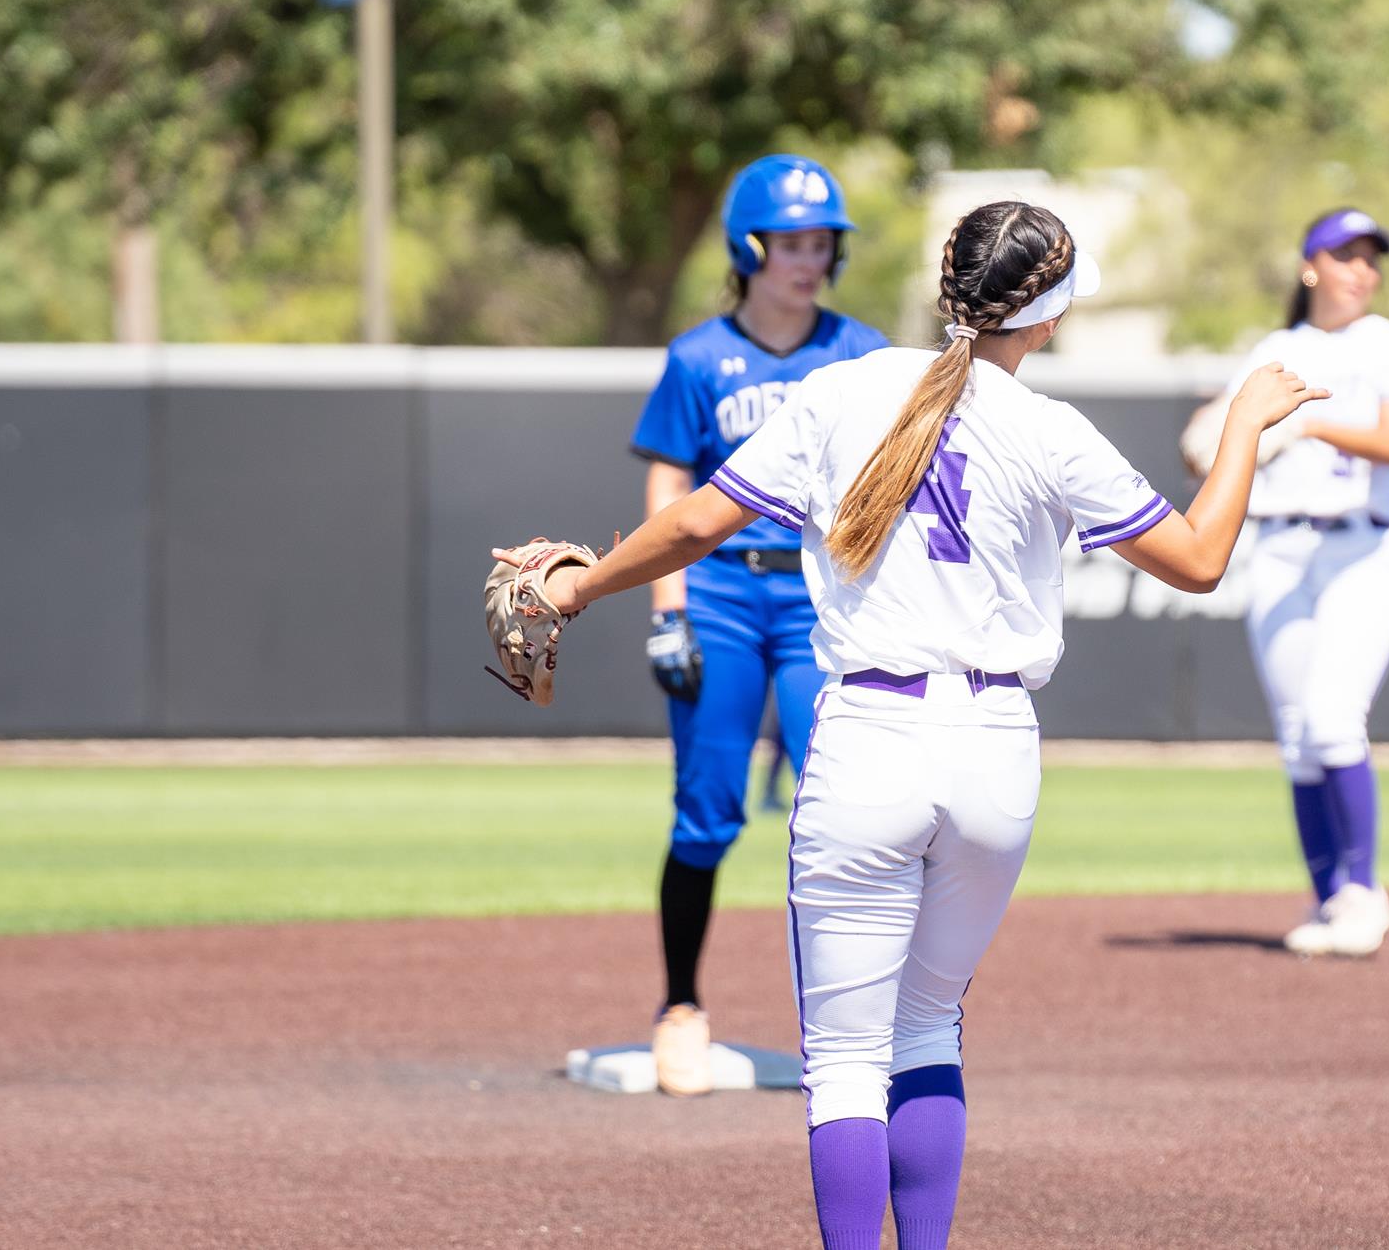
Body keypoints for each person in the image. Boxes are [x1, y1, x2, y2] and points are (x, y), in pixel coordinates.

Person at [500, 200, 1323, 1250]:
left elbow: (701, 519)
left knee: (844, 1059)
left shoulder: (841, 389)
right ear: (1055, 314)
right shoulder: (1050, 430)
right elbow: (1204, 558)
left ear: (946, 286)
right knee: (926, 1027)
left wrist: (579, 589)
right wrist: (1248, 419)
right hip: (992, 750)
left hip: (867, 742)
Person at [628, 154, 890, 1095]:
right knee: (708, 807)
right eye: (790, 241)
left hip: (822, 595)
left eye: (821, 242)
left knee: (841, 807)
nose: (807, 258)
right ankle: (681, 1005)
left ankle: (847, 1019)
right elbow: (667, 473)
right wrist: (666, 608)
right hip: (722, 592)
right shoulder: (699, 356)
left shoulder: (861, 350)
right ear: (750, 247)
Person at [1182, 207, 1389, 958]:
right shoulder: (1277, 350)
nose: (1362, 269)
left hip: (1365, 547)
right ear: (1310, 266)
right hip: (1282, 543)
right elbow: (1211, 444)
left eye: (1370, 257)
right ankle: (1329, 899)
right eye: (1345, 254)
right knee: (1297, 736)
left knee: (1331, 715)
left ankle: (1362, 890)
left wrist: (1307, 424)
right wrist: (1219, 429)